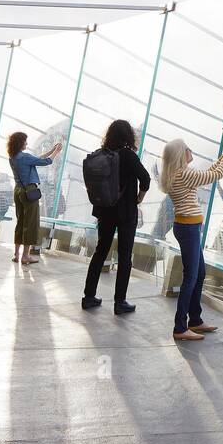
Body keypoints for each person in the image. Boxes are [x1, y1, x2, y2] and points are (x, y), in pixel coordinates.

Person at [161, 134, 223, 340]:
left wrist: (222, 154)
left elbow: (208, 172)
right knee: (191, 277)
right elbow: (216, 174)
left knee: (199, 273)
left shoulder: (178, 174)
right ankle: (180, 327)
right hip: (189, 229)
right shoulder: (184, 174)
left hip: (187, 228)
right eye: (187, 148)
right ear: (180, 155)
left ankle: (195, 320)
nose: (190, 151)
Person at [83, 119, 151, 313]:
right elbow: (145, 179)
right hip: (126, 212)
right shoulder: (128, 156)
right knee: (124, 256)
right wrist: (139, 197)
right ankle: (119, 302)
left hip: (104, 210)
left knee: (100, 251)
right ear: (128, 136)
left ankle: (88, 296)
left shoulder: (103, 154)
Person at [7, 130, 62, 265]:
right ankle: (26, 256)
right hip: (29, 192)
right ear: (20, 143)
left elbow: (37, 159)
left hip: (18, 191)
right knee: (30, 224)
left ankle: (16, 254)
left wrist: (51, 150)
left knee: (20, 223)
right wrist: (57, 152)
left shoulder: (13, 157)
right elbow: (46, 162)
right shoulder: (24, 157)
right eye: (25, 140)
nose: (27, 143)